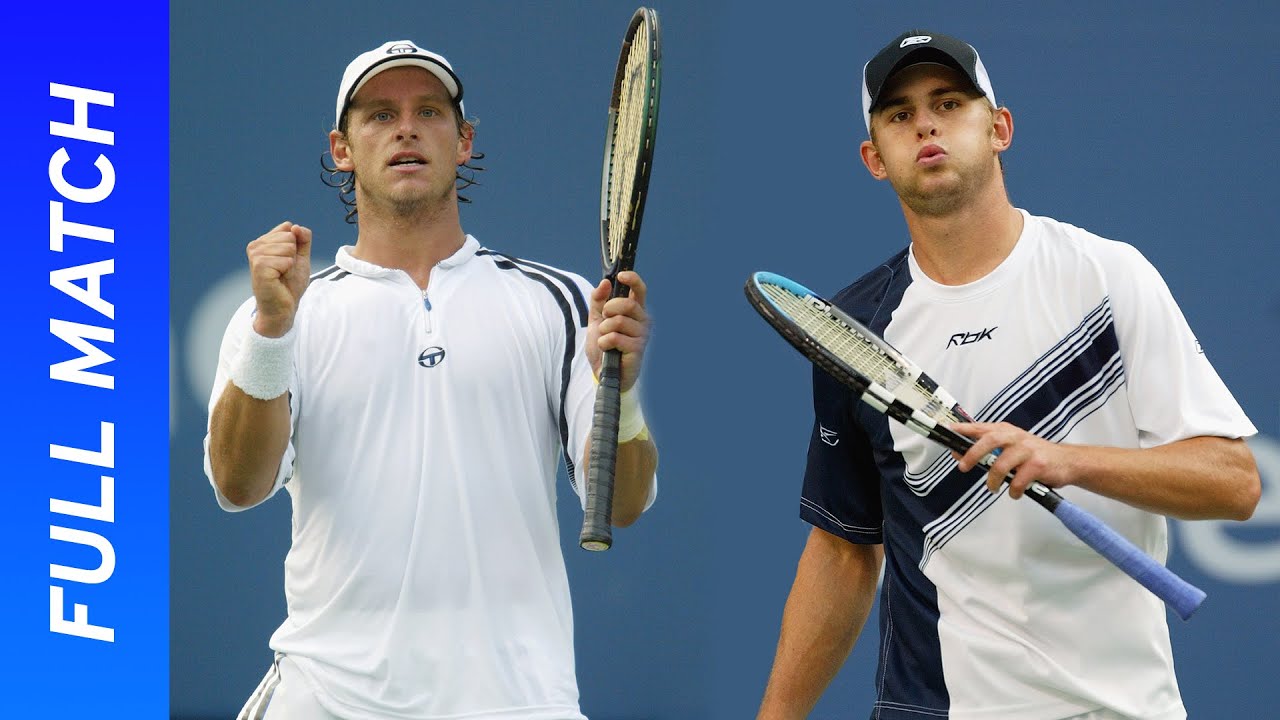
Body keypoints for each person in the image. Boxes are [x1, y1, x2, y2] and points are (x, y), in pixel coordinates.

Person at [756, 30, 1260, 720]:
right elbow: (844, 553)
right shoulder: (856, 328)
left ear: (999, 129)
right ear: (875, 159)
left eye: (949, 102)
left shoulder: (1106, 276)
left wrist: (1068, 460)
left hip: (1116, 708)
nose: (926, 123)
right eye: (899, 114)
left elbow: (1234, 483)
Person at [203, 40, 658, 720]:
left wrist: (618, 395)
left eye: (429, 112)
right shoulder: (284, 312)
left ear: (464, 140)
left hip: (521, 702)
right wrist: (272, 328)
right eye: (380, 115)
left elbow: (621, 502)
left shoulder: (561, 303)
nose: (407, 128)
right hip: (327, 700)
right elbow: (239, 486)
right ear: (342, 149)